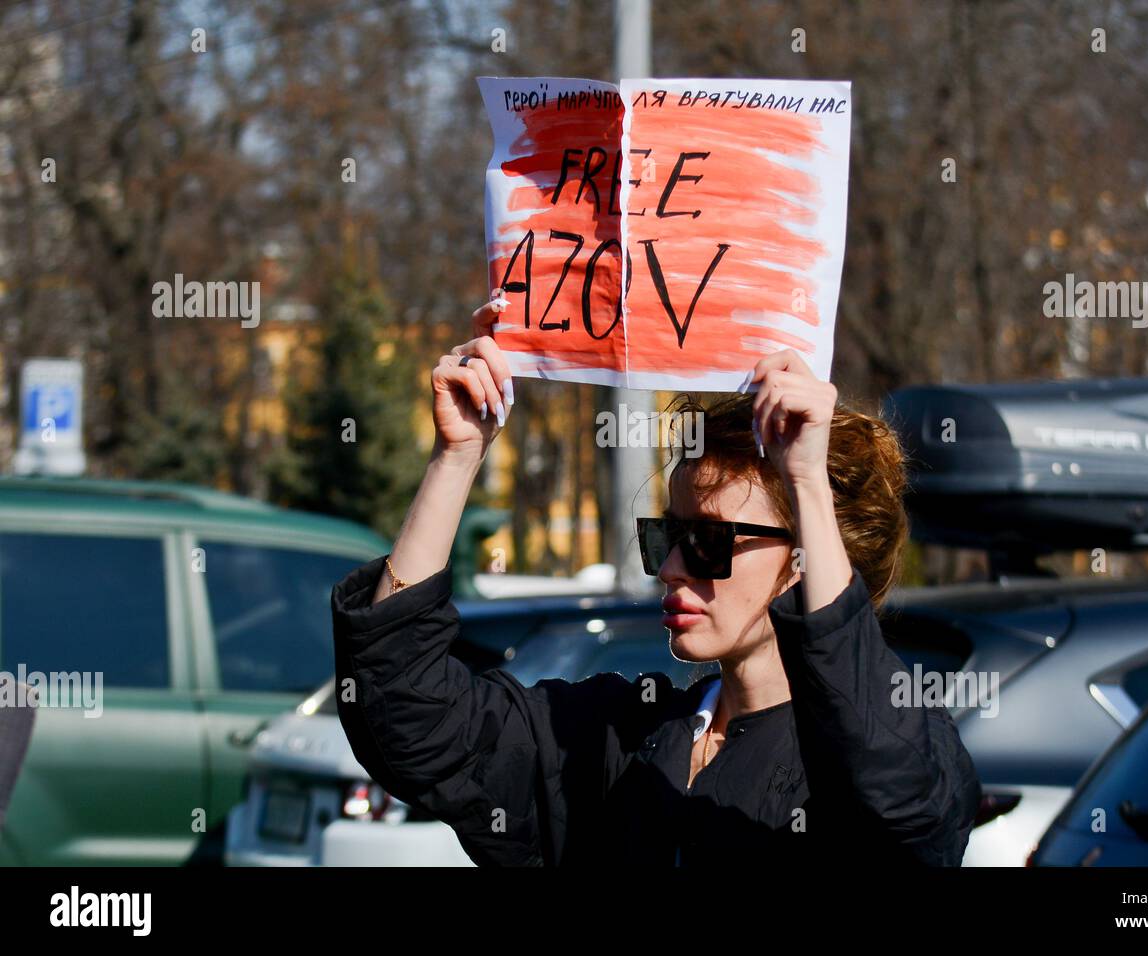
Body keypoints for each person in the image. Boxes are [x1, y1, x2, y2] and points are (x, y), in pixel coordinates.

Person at [331, 294, 981, 866]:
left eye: (705, 542)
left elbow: (897, 795)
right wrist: (457, 455)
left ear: (806, 554)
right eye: (666, 535)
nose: (670, 567)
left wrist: (806, 480)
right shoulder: (623, 734)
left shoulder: (897, 756)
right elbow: (406, 714)